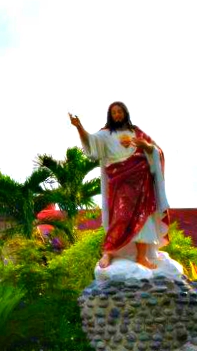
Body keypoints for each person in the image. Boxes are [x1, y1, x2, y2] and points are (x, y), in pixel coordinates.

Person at [69, 102, 169, 270]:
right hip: (120, 180)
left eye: (120, 112)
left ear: (125, 113)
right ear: (110, 115)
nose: (117, 115)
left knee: (144, 219)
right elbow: (91, 144)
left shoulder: (136, 132)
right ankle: (108, 252)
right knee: (120, 217)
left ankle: (141, 257)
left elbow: (157, 151)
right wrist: (79, 127)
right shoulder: (105, 134)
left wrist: (145, 146)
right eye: (114, 112)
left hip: (141, 180)